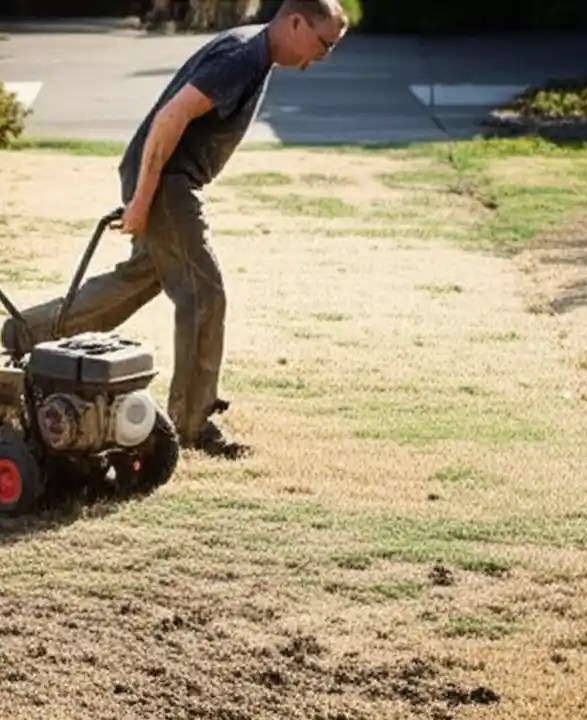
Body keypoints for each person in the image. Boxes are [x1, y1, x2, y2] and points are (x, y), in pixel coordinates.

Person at [0, 0, 348, 459]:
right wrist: (143, 200)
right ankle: (193, 423)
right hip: (167, 181)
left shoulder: (256, 54)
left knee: (135, 283)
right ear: (296, 21)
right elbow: (170, 118)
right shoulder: (242, 56)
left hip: (171, 180)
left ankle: (25, 333)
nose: (323, 56)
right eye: (324, 44)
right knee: (205, 294)